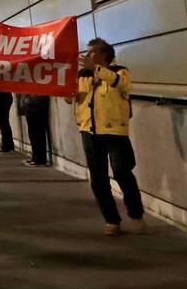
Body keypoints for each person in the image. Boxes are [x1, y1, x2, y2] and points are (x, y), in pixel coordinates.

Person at [68, 37, 142, 236]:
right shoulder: (83, 76)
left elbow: (122, 85)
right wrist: (68, 88)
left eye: (92, 52)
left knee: (121, 171)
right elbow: (71, 98)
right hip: (89, 131)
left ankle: (135, 212)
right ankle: (112, 220)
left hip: (115, 132)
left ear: (104, 55)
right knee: (98, 178)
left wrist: (98, 70)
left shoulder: (120, 72)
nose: (87, 56)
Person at [18, 93, 51, 166]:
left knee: (38, 133)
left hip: (37, 105)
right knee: (33, 133)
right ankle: (35, 156)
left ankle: (40, 159)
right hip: (30, 104)